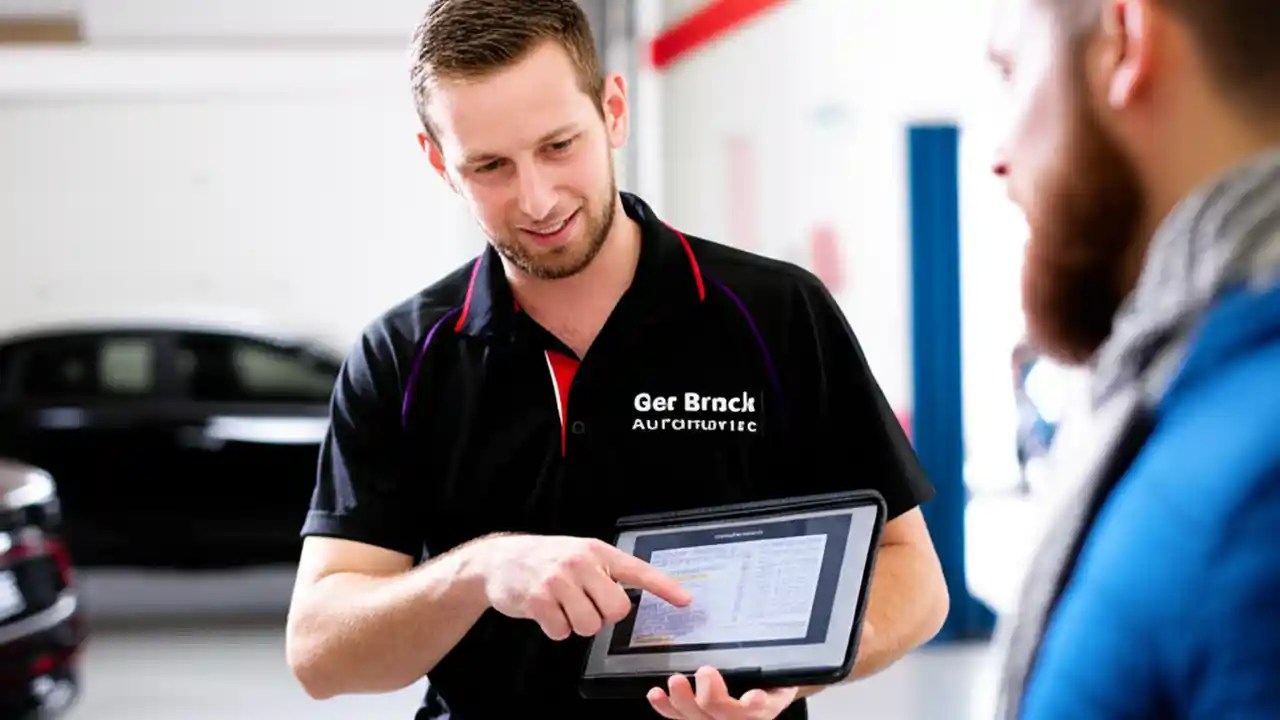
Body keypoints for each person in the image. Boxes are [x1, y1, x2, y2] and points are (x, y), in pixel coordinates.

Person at [285, 1, 949, 718]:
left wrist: (798, 671)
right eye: (490, 167)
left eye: (558, 146)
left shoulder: (776, 314)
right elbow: (320, 652)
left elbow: (913, 575)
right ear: (438, 160)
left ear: (614, 111)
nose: (536, 199)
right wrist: (480, 569)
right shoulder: (402, 356)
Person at [985, 0, 1280, 717]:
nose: (1000, 155)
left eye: (1012, 71)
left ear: (1124, 41)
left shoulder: (1254, 485)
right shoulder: (1195, 399)